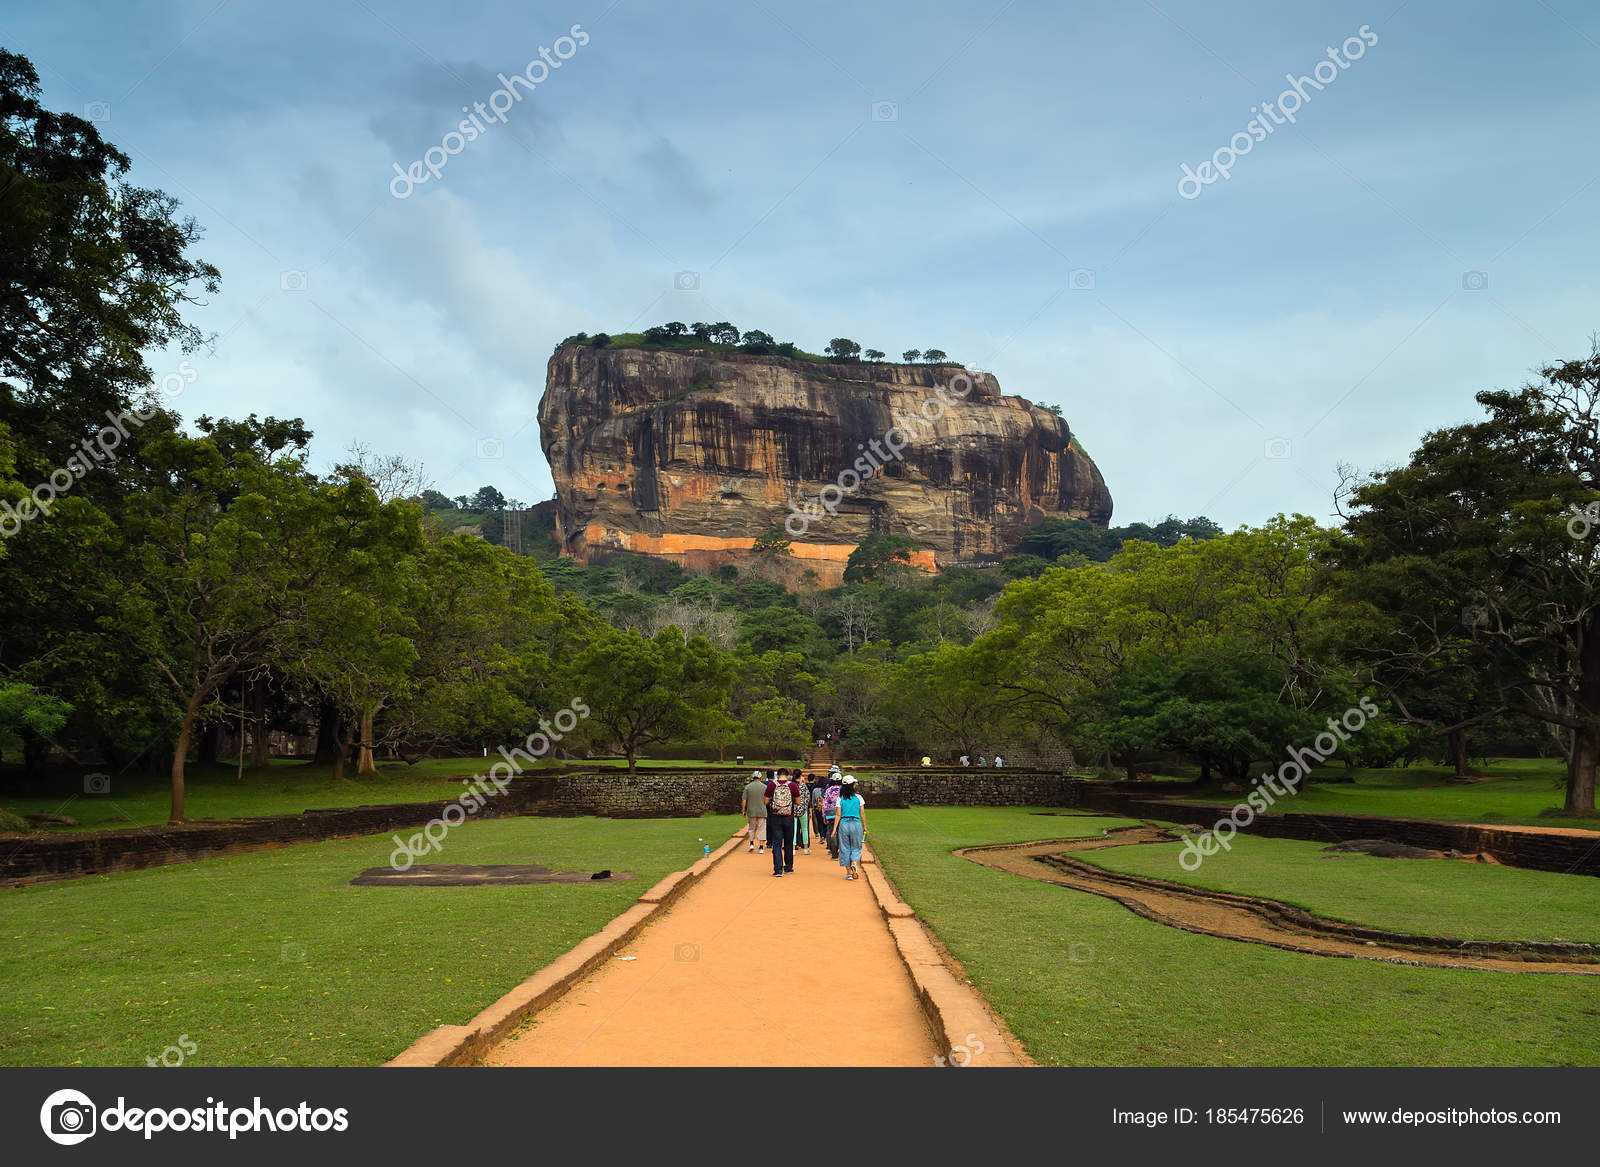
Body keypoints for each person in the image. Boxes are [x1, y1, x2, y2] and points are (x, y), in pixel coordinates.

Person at [764, 766, 801, 877]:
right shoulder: (792, 785)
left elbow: (765, 801)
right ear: (787, 775)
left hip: (775, 817)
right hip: (789, 817)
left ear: (778, 775)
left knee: (777, 843)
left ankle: (778, 869)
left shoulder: (772, 785)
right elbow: (798, 802)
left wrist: (772, 801)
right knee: (789, 842)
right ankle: (788, 867)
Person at [831, 775, 866, 880]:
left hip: (844, 824)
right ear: (852, 785)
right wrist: (865, 826)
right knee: (856, 846)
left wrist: (834, 830)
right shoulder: (859, 797)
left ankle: (849, 873)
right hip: (855, 823)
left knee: (844, 848)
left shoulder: (840, 799)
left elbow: (838, 815)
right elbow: (862, 813)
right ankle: (854, 862)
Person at [741, 770, 768, 853]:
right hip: (762, 810)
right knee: (762, 828)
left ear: (753, 778)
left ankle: (752, 843)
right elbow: (766, 800)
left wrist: (743, 810)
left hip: (751, 810)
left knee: (751, 828)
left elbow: (744, 800)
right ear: (760, 778)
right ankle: (761, 847)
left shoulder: (748, 787)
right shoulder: (764, 787)